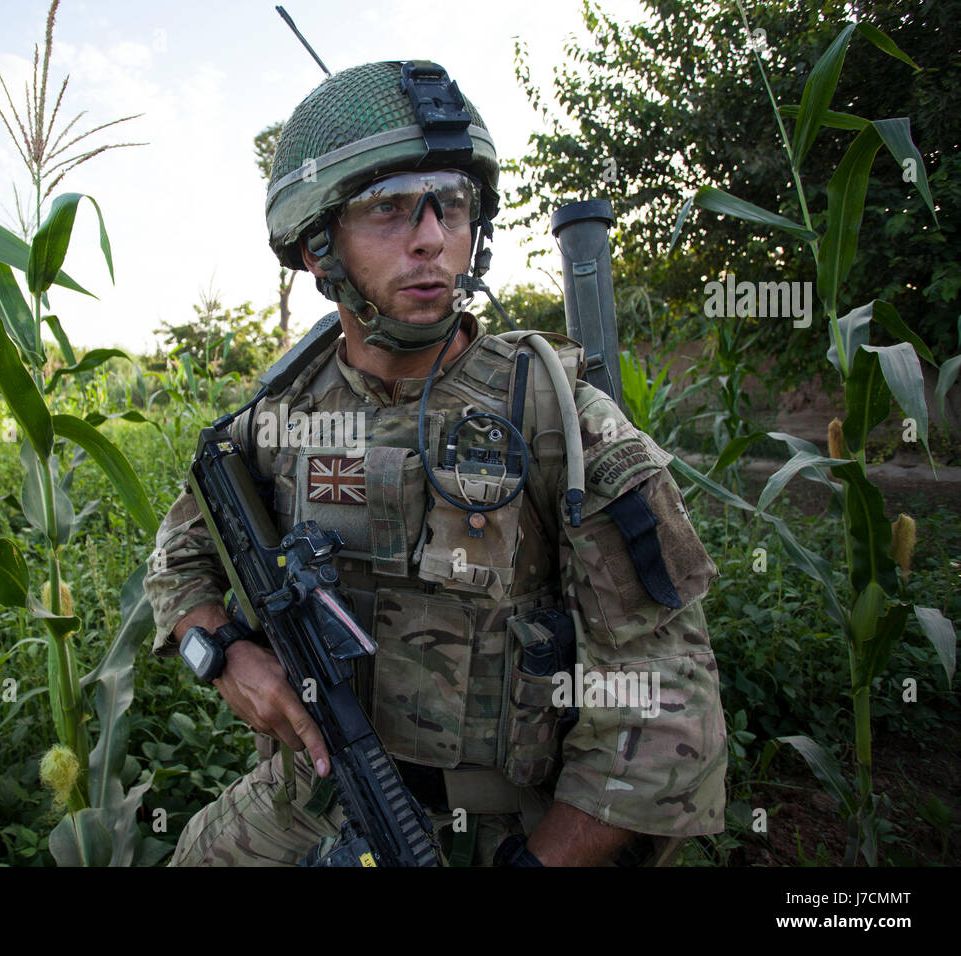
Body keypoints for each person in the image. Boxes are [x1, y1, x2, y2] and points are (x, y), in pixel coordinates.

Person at [144, 60, 726, 866]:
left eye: (451, 206)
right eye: (389, 210)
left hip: (504, 835)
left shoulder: (558, 419)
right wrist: (220, 653)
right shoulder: (276, 418)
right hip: (307, 798)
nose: (431, 238)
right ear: (319, 248)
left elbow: (665, 706)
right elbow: (180, 558)